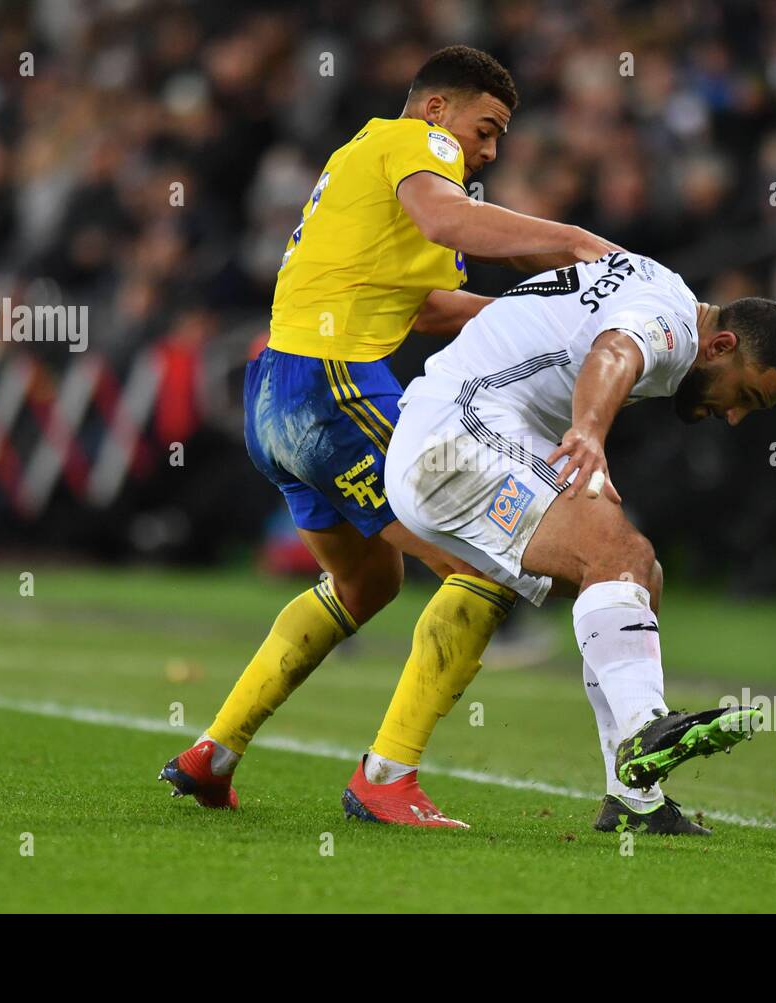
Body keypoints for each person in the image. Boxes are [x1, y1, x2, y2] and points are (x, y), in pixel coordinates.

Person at [158, 45, 620, 822]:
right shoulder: (419, 145)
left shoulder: (365, 161)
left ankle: (213, 753)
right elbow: (449, 216)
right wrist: (575, 241)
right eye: (487, 127)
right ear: (439, 108)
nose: (489, 150)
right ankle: (386, 776)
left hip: (276, 391)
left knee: (366, 582)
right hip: (335, 387)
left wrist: (550, 321)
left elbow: (431, 308)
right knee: (488, 562)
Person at [375, 250, 776, 833]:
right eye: (746, 397)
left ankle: (634, 797)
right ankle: (644, 729)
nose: (733, 417)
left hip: (463, 434)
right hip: (457, 435)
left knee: (639, 577)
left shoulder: (656, 289)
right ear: (721, 346)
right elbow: (613, 352)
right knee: (618, 555)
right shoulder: (674, 323)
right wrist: (590, 431)